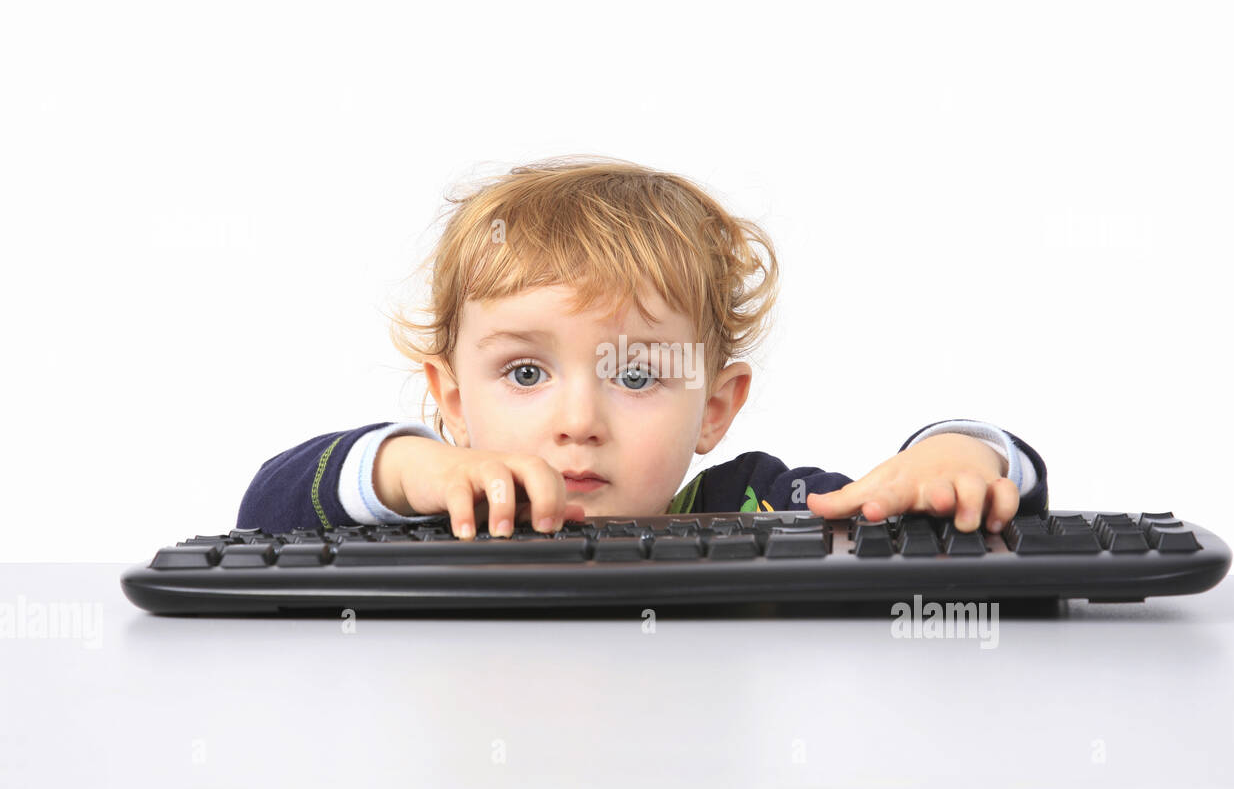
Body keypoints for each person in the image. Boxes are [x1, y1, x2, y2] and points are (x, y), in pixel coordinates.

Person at [236, 156, 1047, 538]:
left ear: (715, 406)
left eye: (636, 373)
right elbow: (261, 513)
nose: (579, 420)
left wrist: (960, 456)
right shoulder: (439, 512)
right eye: (525, 372)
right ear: (452, 400)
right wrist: (409, 468)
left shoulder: (757, 504)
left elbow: (924, 508)